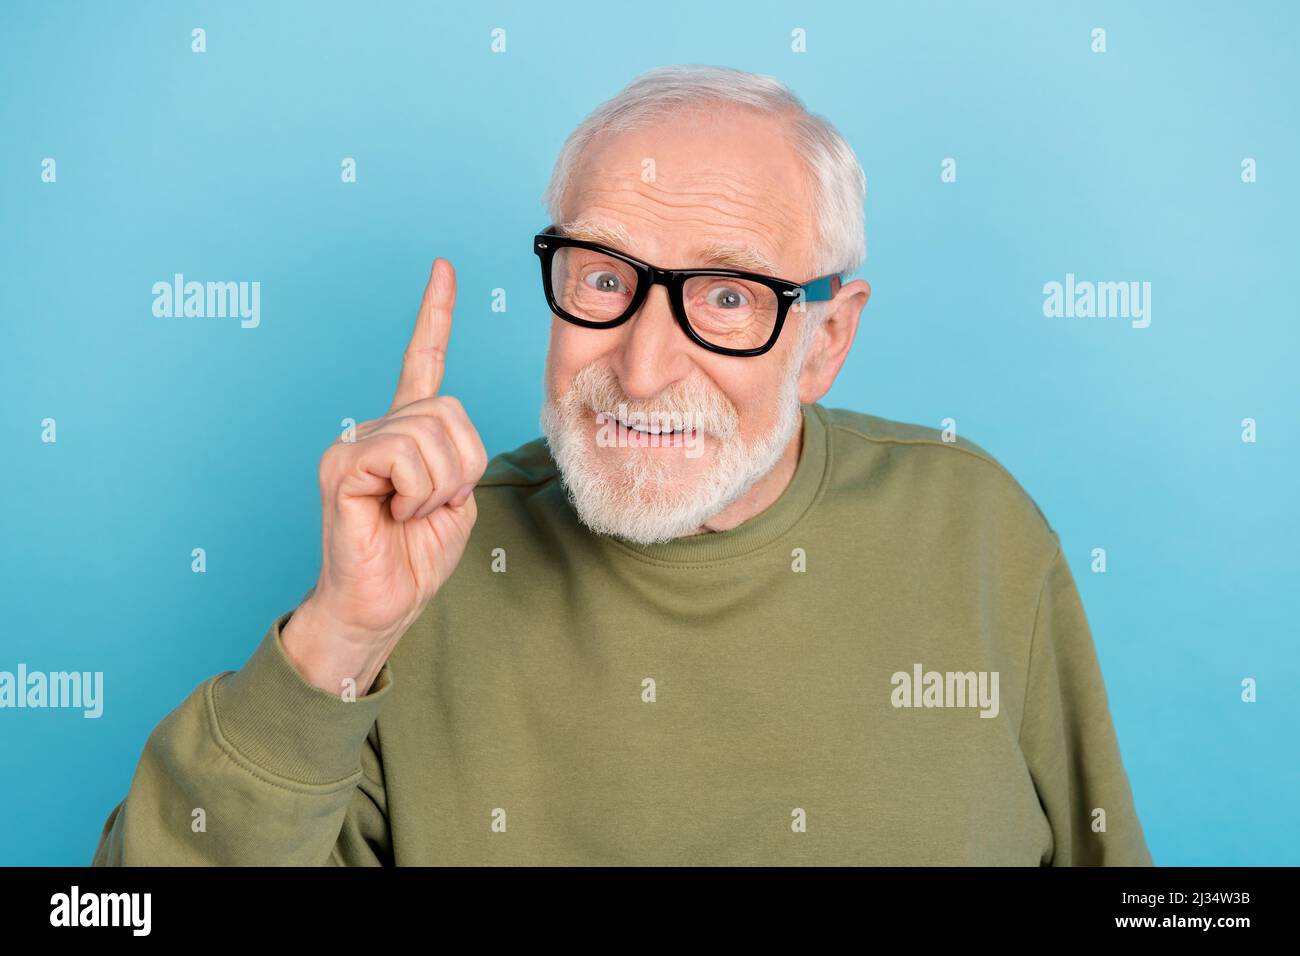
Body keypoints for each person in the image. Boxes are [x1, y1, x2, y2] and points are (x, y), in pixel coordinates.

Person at [92, 64, 1152, 866]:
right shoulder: (429, 569)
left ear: (824, 341)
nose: (642, 370)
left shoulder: (977, 527)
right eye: (604, 278)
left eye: (727, 297)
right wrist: (338, 636)